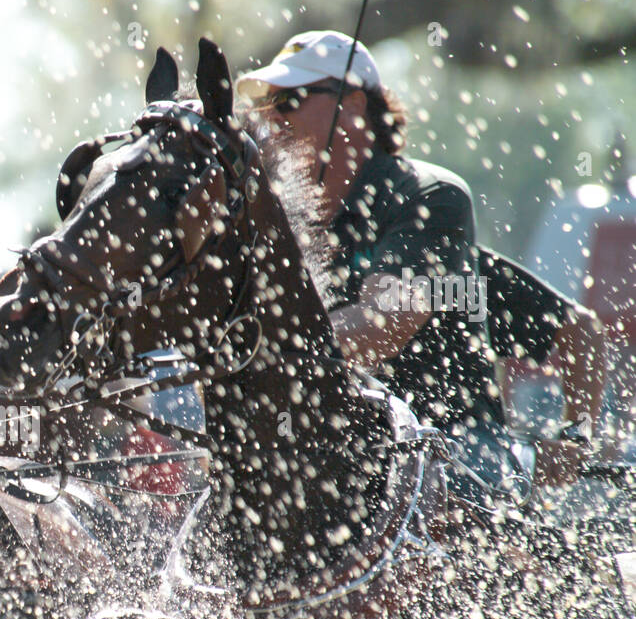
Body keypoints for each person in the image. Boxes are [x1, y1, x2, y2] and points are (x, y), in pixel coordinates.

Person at [235, 30, 607, 507]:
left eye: (288, 100)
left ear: (350, 104)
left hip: (453, 445)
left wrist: (575, 437)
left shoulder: (430, 198)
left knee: (451, 487)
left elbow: (385, 323)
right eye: (265, 106)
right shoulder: (276, 222)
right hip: (327, 448)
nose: (271, 118)